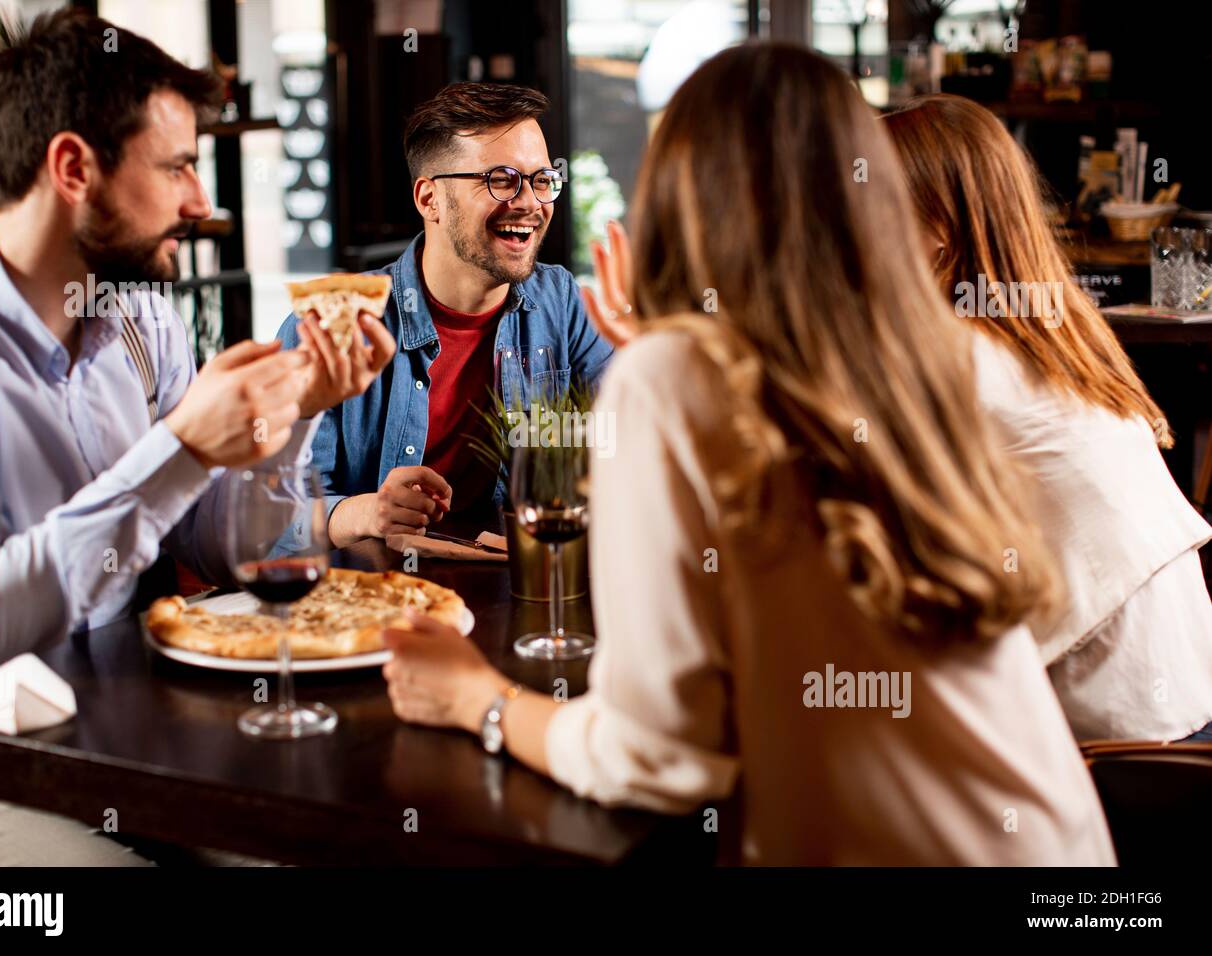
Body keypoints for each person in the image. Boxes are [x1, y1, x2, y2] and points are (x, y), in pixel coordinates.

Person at [377, 44, 1116, 865]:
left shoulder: (674, 377)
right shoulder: (928, 355)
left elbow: (656, 760)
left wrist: (477, 700)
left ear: (685, 190)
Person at [0, 10, 394, 865]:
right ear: (73, 168)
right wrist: (184, 445)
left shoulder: (137, 313)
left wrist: (292, 419)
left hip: (132, 711)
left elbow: (221, 543)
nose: (201, 204)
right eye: (176, 167)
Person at [884, 94, 1212, 742]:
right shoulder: (1051, 329)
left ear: (938, 231)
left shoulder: (957, 355)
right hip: (1189, 703)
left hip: (1118, 747)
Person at [276, 83, 612, 544]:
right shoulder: (330, 323)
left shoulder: (561, 300)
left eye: (540, 180)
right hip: (377, 599)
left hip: (515, 585)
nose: (530, 203)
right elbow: (270, 511)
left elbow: (628, 442)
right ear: (429, 199)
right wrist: (365, 513)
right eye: (501, 179)